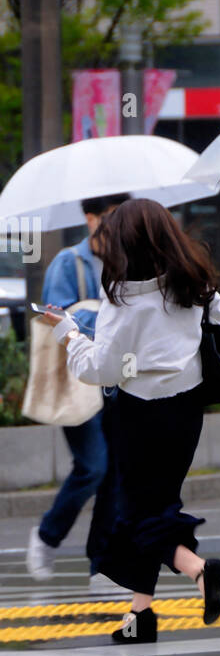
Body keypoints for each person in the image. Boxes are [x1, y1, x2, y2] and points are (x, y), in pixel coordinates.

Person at [40, 198, 220, 643]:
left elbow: (100, 370)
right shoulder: (197, 285)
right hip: (186, 413)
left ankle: (202, 571)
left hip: (138, 416)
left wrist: (68, 333)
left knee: (132, 515)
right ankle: (140, 617)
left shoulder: (122, 298)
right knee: (158, 506)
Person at [26, 193, 129, 587]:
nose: (117, 224)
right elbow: (54, 319)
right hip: (76, 382)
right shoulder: (69, 263)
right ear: (90, 219)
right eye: (110, 216)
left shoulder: (127, 262)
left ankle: (101, 564)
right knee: (93, 467)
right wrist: (98, 318)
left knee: (114, 474)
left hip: (115, 385)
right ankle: (47, 536)